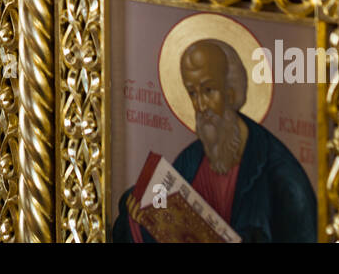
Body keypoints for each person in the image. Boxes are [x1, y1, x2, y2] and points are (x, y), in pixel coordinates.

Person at [114, 39, 316, 242]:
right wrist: (140, 220)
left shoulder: (284, 180)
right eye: (192, 93)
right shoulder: (190, 160)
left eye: (208, 90)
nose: (201, 105)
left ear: (230, 90)